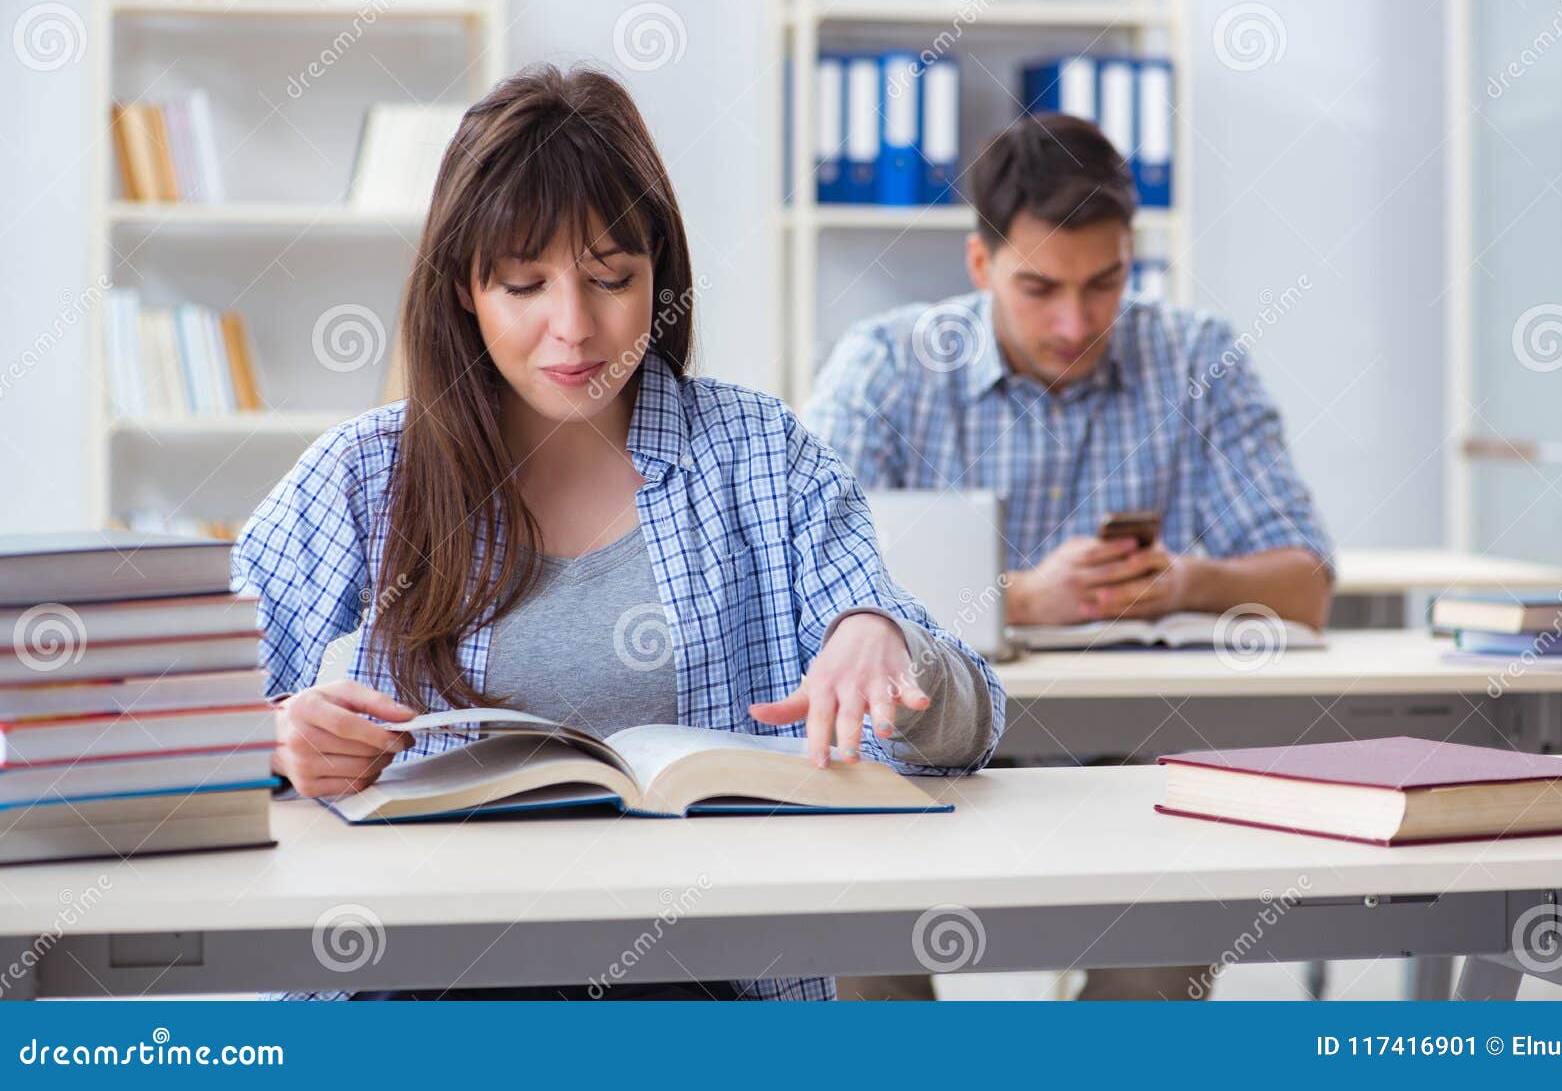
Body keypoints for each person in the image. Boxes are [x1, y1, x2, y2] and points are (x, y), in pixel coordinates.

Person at [231, 64, 1004, 1003]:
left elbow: (972, 724)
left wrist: (889, 645)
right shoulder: (365, 473)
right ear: (463, 292)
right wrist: (271, 742)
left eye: (612, 279)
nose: (575, 329)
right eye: (524, 285)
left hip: (701, 994)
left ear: (660, 277)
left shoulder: (761, 455)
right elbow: (145, 728)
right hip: (419, 989)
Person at [805, 113, 1334, 1000]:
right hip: (918, 743)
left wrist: (1184, 584)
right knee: (852, 935)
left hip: (1128, 760)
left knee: (1172, 933)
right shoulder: (886, 367)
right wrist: (1016, 600)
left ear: (1134, 258)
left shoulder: (1197, 356)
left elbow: (1306, 588)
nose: (1075, 320)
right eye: (1039, 286)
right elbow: (811, 596)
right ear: (980, 266)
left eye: (1106, 283)